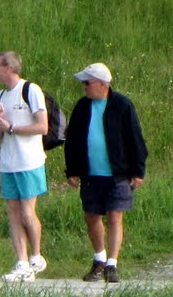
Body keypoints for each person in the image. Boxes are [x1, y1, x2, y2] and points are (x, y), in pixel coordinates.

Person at [63, 62, 147, 284]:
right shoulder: (82, 107)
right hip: (90, 174)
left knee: (114, 215)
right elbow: (71, 140)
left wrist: (138, 170)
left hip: (118, 173)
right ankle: (98, 258)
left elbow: (135, 138)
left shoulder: (122, 105)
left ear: (102, 84)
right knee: (91, 216)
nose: (84, 87)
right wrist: (72, 170)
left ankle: (112, 263)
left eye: (87, 83)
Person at [0, 51, 50, 282]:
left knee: (27, 212)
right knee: (13, 213)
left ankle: (36, 255)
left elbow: (42, 126)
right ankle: (21, 262)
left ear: (9, 67)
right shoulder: (0, 96)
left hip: (29, 160)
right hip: (8, 162)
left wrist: (11, 126)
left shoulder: (30, 90)